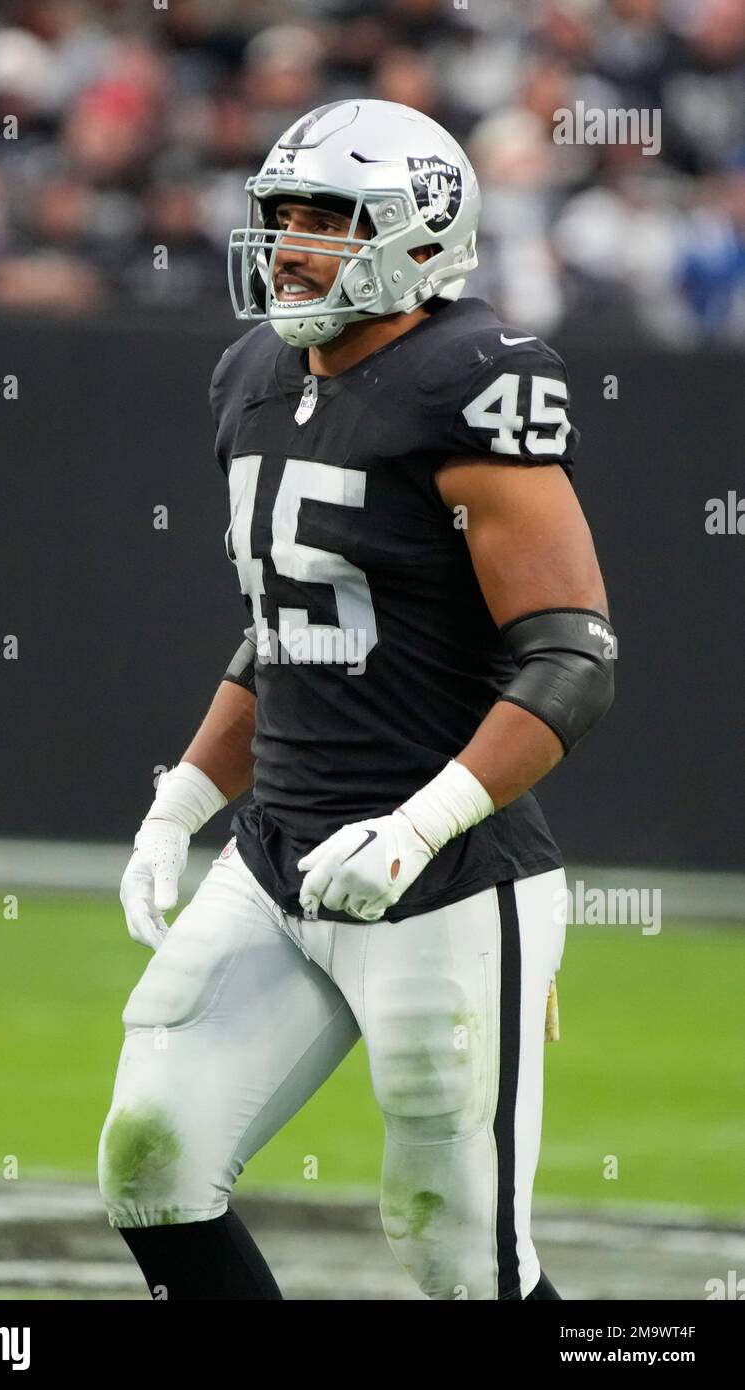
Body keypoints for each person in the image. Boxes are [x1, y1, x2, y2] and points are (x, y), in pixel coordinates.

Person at [98, 99, 615, 1301]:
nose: (289, 242)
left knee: (457, 1257)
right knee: (150, 1165)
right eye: (279, 214)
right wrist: (179, 805)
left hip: (444, 874)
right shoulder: (249, 373)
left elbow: (572, 656)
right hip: (276, 851)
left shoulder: (473, 380)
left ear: (420, 234)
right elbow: (285, 633)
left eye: (328, 217)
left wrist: (418, 824)